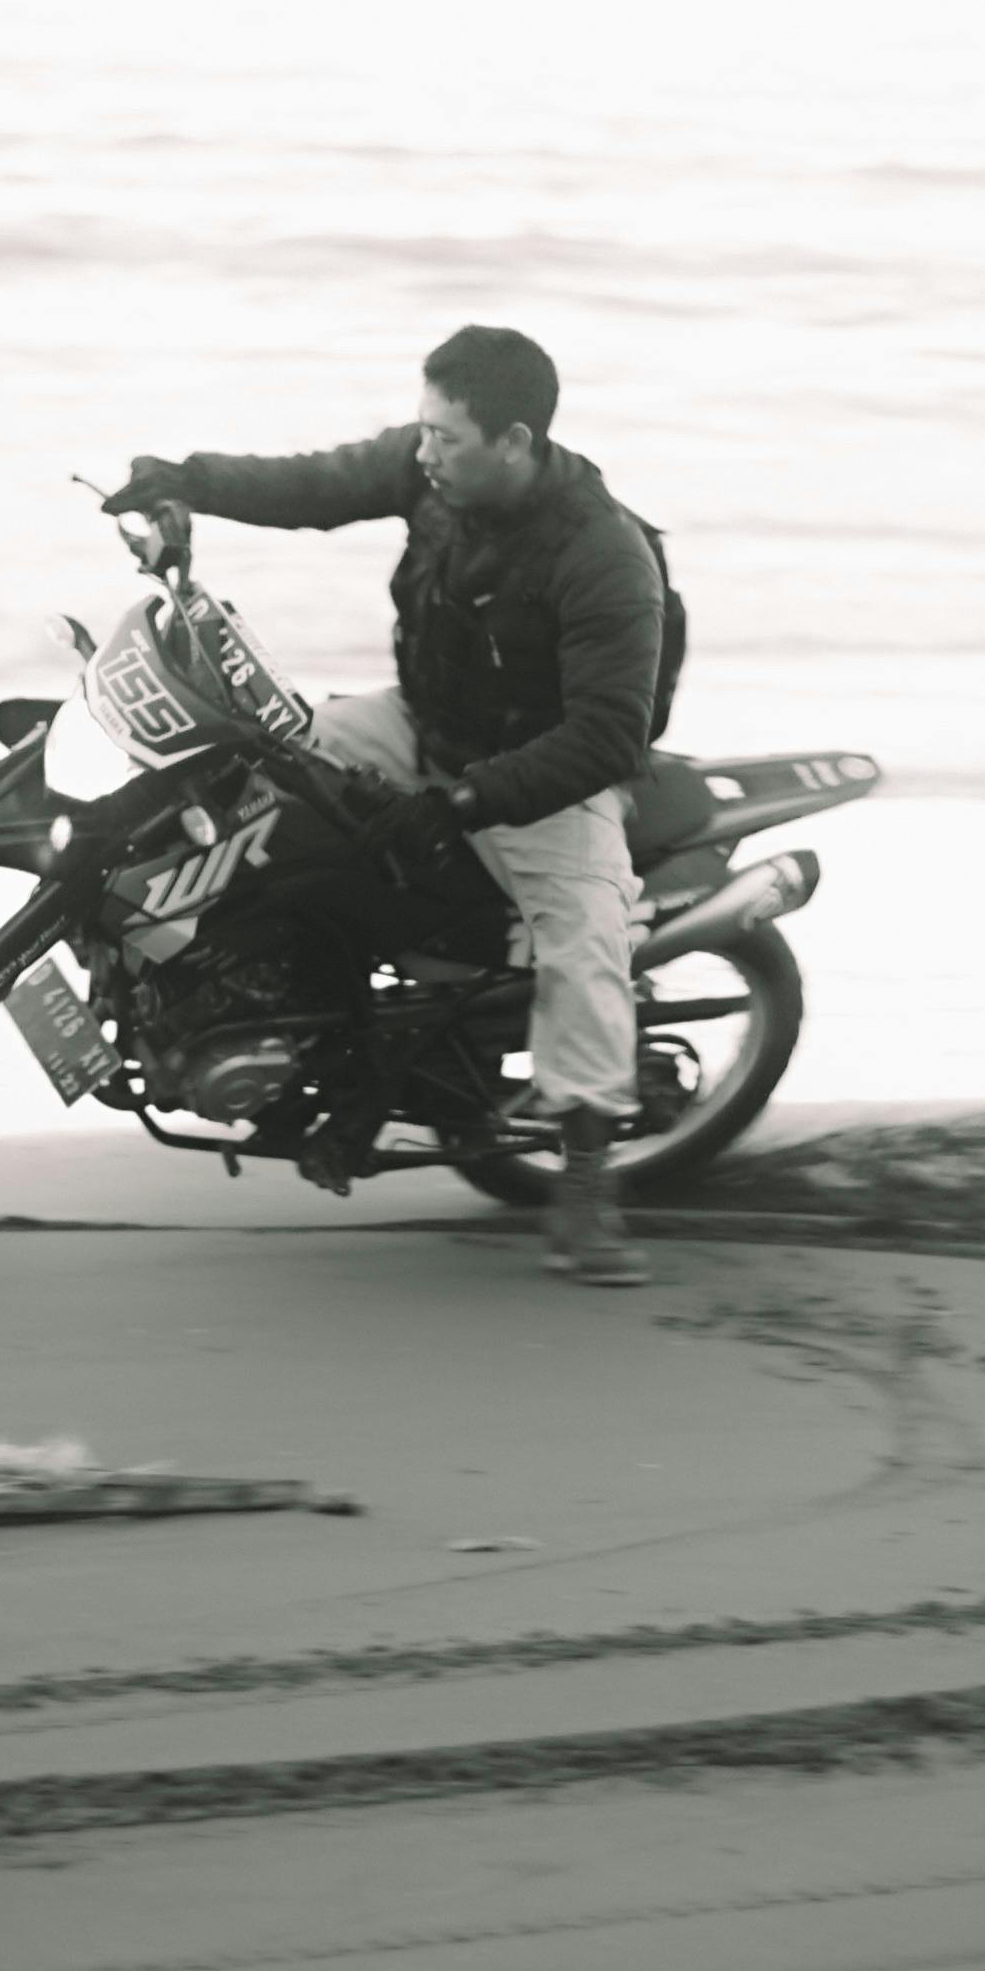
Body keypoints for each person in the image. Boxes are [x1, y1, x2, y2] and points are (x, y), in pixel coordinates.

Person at [117, 324, 676, 1286]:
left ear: (516, 442)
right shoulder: (432, 471)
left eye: (445, 439)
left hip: (540, 777)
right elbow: (317, 484)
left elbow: (604, 740)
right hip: (426, 721)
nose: (422, 454)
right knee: (268, 756)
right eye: (421, 431)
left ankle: (587, 1180)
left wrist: (459, 804)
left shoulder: (604, 557)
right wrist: (187, 479)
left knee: (585, 942)